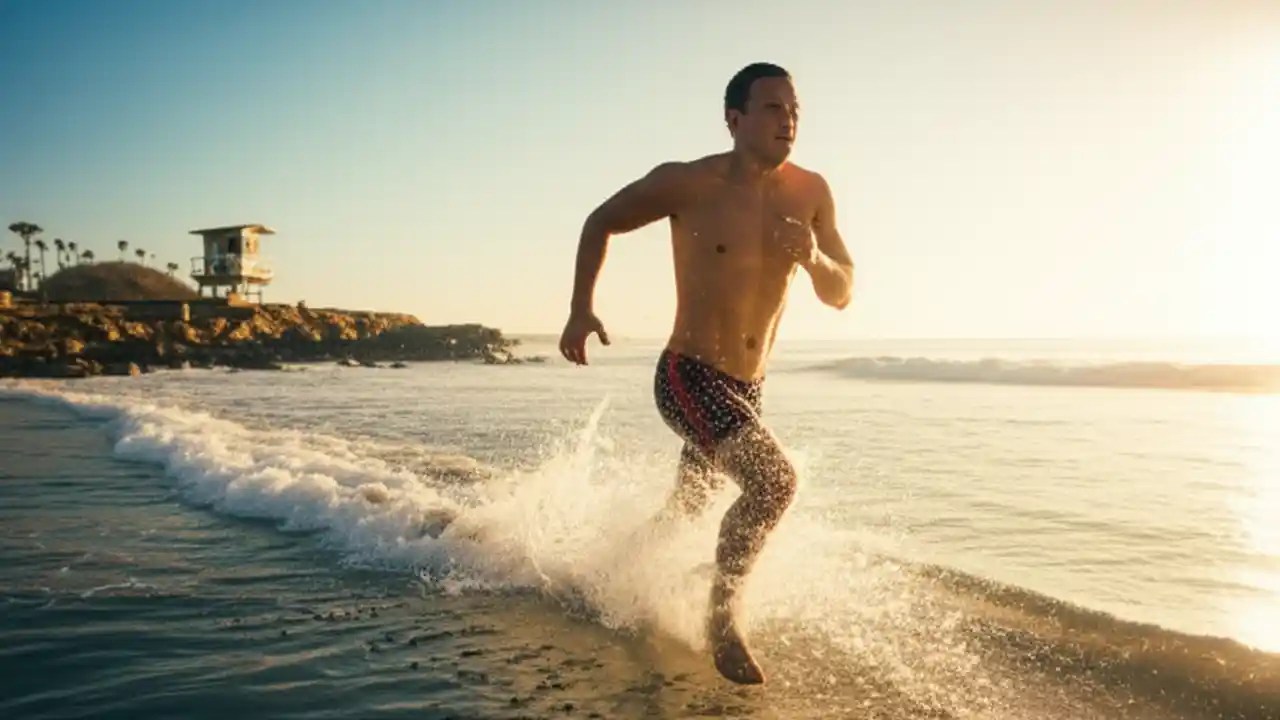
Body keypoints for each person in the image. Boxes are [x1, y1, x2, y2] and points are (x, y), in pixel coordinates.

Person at [557, 62, 855, 685]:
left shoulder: (811, 192)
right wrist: (582, 307)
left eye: (794, 108)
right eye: (772, 109)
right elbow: (600, 220)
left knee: (687, 510)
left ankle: (608, 576)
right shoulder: (688, 183)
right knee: (774, 484)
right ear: (735, 118)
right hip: (688, 375)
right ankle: (721, 619)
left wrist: (815, 257)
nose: (788, 120)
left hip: (749, 389)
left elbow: (842, 291)